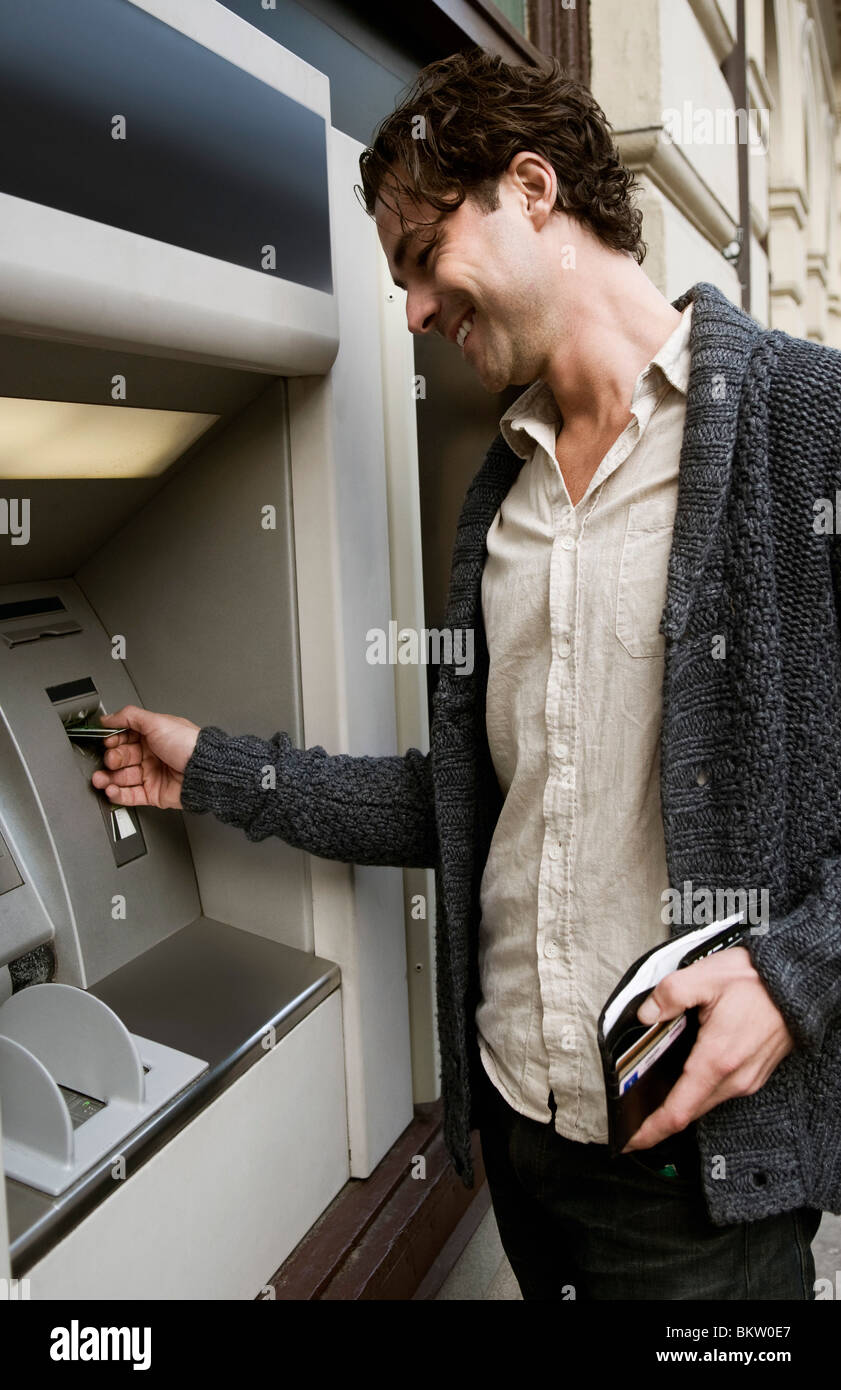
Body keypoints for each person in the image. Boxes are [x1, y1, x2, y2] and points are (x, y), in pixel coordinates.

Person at [91, 50, 841, 1300]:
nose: (413, 312)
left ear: (532, 187)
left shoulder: (801, 417)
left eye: (420, 258)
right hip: (513, 1137)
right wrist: (214, 767)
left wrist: (796, 976)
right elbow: (474, 807)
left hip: (697, 1181)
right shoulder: (505, 495)